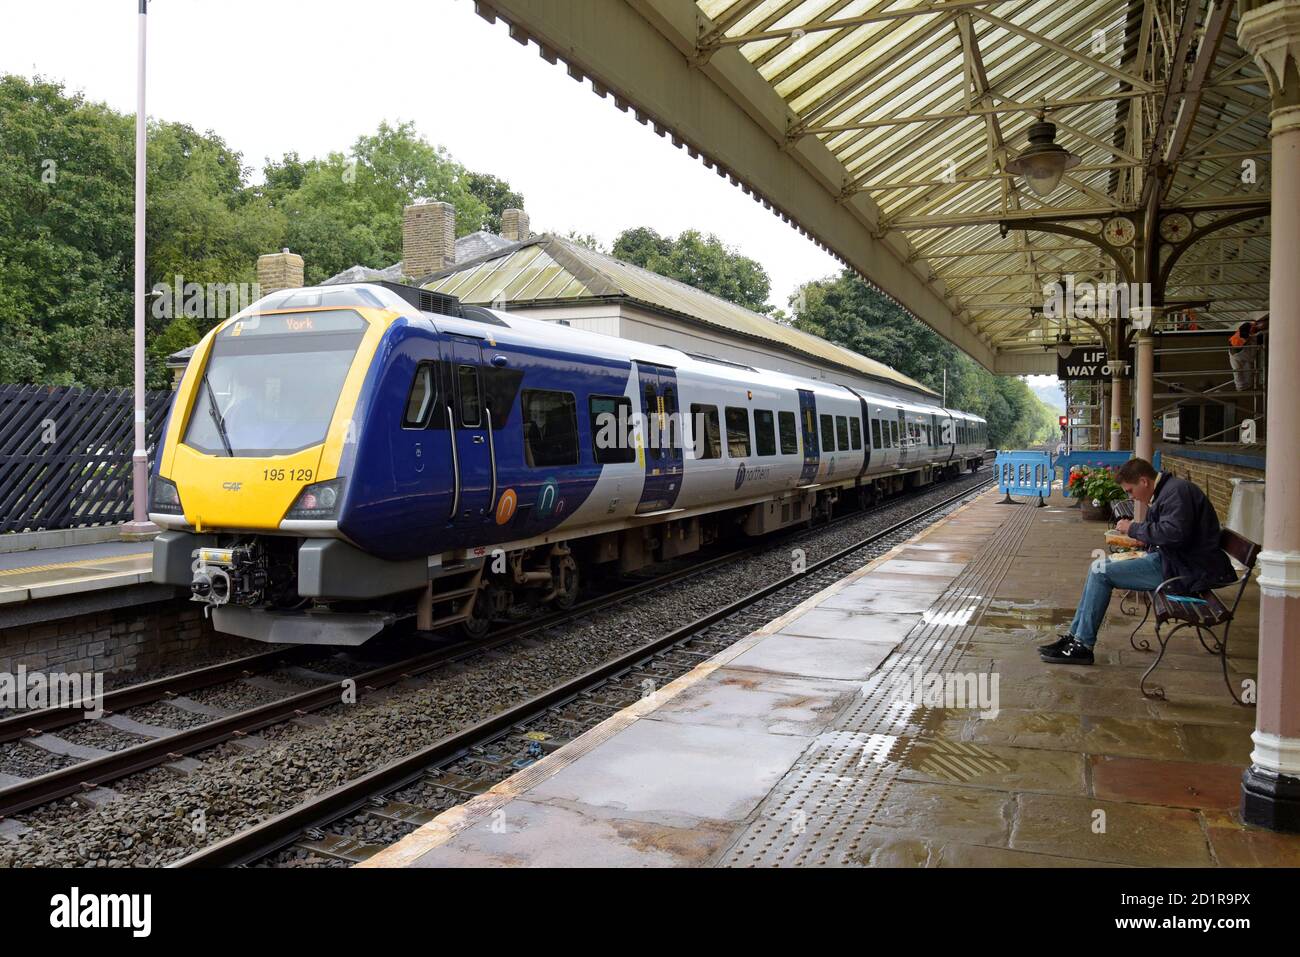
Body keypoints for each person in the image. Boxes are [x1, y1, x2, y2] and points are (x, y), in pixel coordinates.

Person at [1040, 457, 1235, 665]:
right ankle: (1075, 636)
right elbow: (1174, 533)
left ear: (1144, 481)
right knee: (1098, 567)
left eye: (1130, 491)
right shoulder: (1170, 490)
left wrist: (1133, 528)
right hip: (1178, 562)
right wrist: (1142, 539)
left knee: (1100, 572)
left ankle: (1083, 645)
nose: (1131, 497)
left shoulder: (1176, 493)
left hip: (1185, 570)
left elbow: (1175, 533)